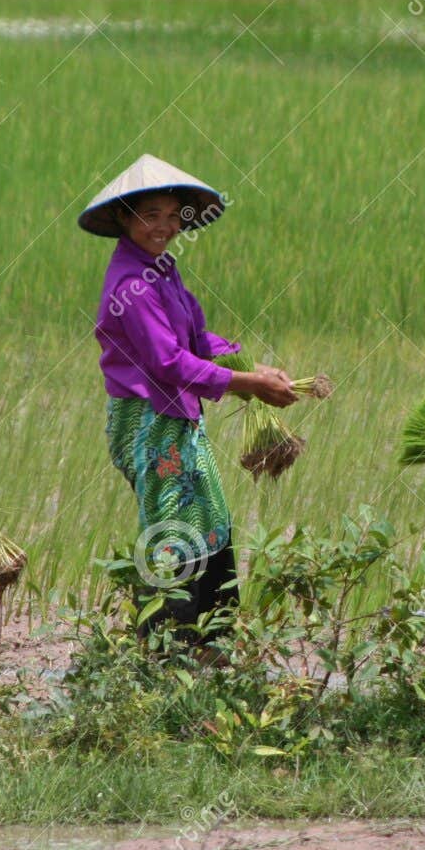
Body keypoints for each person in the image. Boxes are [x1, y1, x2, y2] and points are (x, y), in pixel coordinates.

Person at [84, 154, 295, 642]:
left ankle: (214, 645)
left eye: (172, 215)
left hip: (177, 416)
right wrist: (252, 387)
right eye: (149, 215)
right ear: (124, 217)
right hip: (148, 422)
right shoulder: (133, 285)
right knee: (172, 536)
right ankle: (163, 652)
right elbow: (168, 364)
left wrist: (250, 366)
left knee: (212, 523)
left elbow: (197, 341)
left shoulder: (161, 269)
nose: (163, 226)